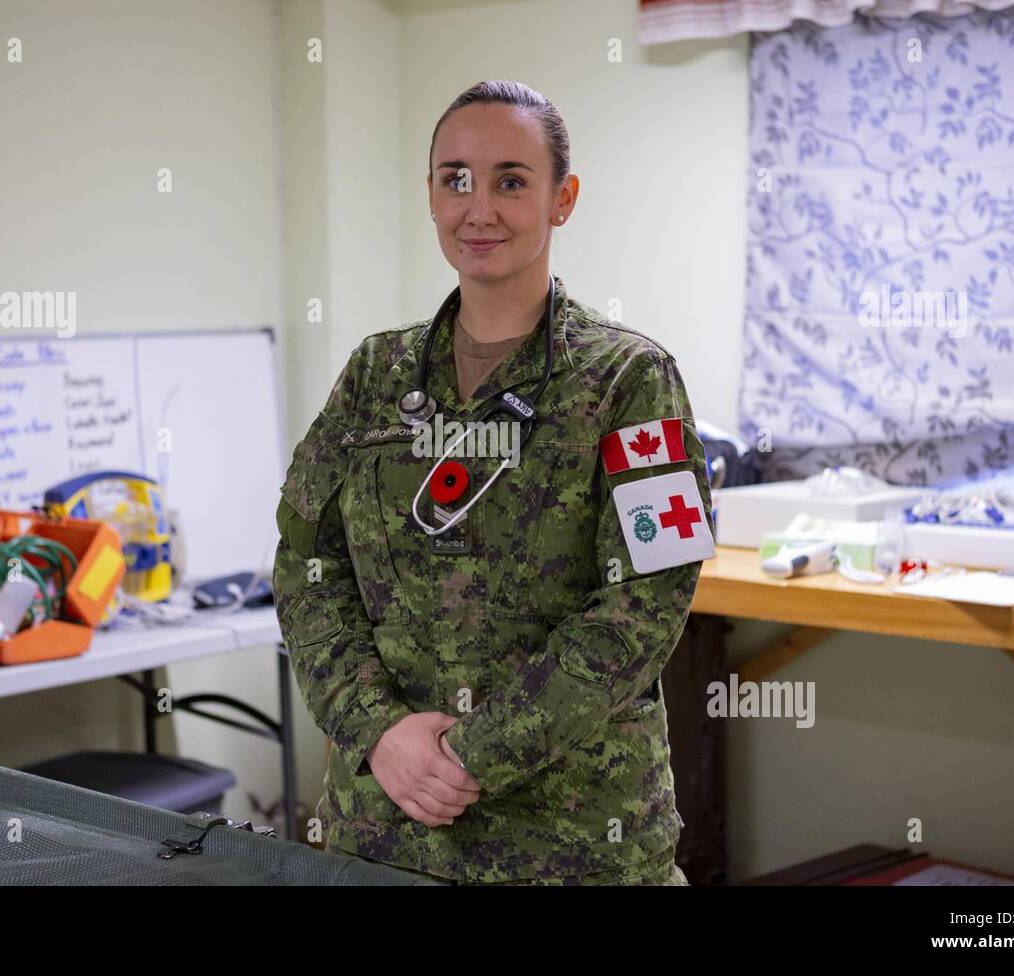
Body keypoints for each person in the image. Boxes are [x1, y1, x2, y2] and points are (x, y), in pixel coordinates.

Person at [273, 80, 715, 885]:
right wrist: (380, 733)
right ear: (432, 197)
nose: (480, 209)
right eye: (456, 180)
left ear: (562, 199)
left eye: (512, 180)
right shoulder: (377, 373)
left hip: (572, 841)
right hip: (386, 834)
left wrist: (471, 755)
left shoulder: (628, 380)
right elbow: (307, 564)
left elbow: (644, 603)